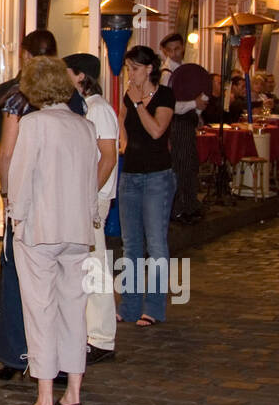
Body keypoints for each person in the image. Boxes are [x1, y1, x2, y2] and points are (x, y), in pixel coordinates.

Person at [8, 56, 100, 405]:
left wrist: (16, 218)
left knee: (40, 311)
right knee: (74, 311)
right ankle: (73, 395)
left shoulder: (33, 125)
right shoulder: (85, 126)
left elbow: (21, 178)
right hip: (78, 231)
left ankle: (44, 400)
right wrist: (91, 217)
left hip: (40, 231)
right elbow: (92, 181)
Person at [0, 29, 60, 382]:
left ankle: (22, 356)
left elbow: (6, 152)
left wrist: (5, 193)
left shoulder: (16, 98)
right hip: (54, 199)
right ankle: (47, 358)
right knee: (52, 280)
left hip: (29, 198)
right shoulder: (70, 98)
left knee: (20, 275)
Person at [64, 53, 118, 365]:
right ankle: (90, 332)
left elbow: (108, 156)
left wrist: (89, 195)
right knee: (87, 265)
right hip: (86, 196)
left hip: (94, 198)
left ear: (81, 76)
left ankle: (102, 337)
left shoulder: (99, 109)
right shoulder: (85, 108)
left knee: (96, 265)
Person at [118, 45, 176, 327]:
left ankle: (153, 307)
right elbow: (122, 125)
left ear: (149, 69)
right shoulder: (128, 97)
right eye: (129, 68)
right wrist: (127, 147)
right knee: (131, 245)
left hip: (157, 176)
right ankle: (129, 306)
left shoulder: (165, 95)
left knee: (155, 244)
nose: (132, 74)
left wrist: (140, 104)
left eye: (136, 68)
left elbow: (156, 130)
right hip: (130, 175)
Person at [160, 33, 201, 223]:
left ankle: (189, 206)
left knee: (189, 165)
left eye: (178, 48)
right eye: (171, 50)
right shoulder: (167, 73)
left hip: (187, 121)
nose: (176, 53)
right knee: (181, 166)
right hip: (177, 123)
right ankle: (179, 209)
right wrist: (194, 104)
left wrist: (197, 109)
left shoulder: (185, 69)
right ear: (166, 51)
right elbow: (169, 105)